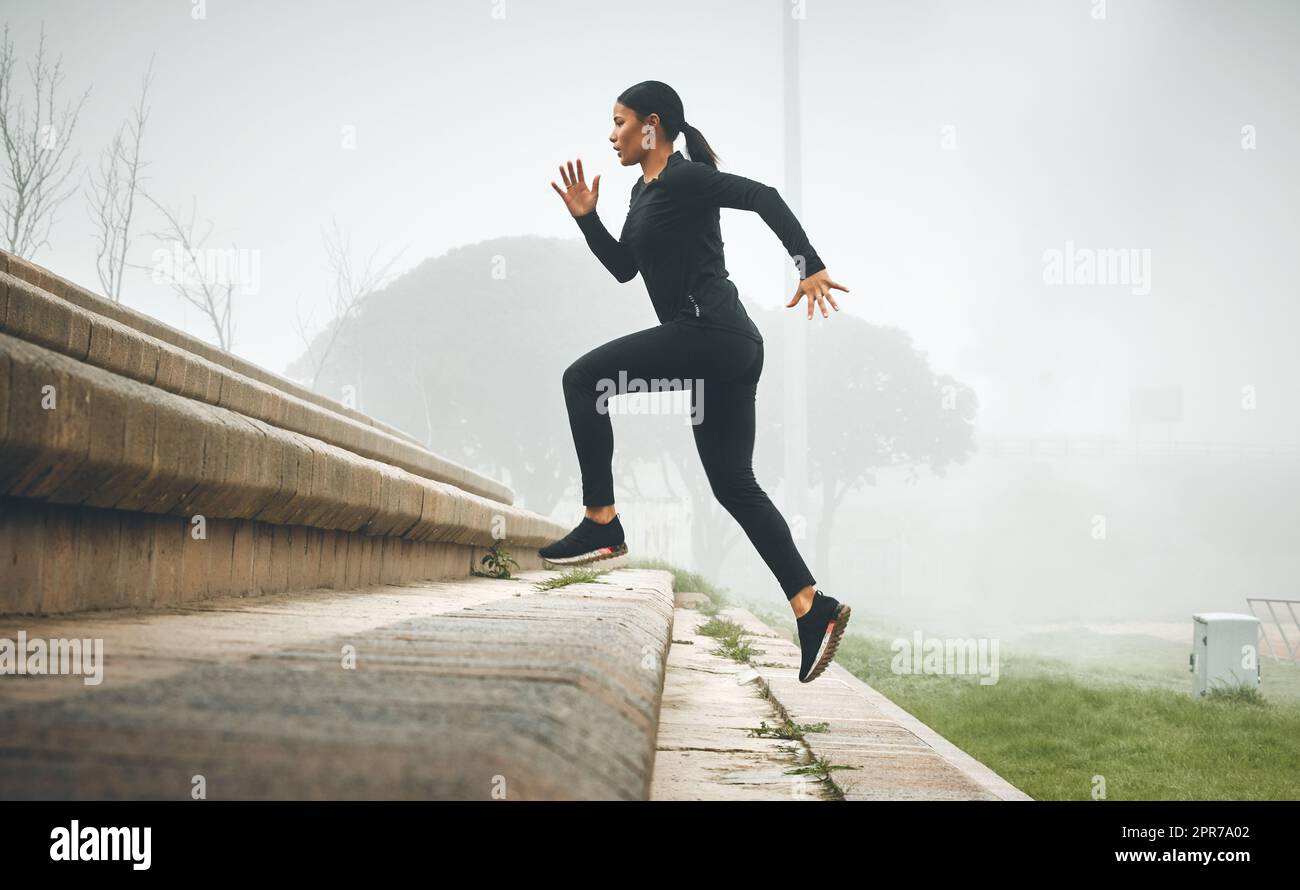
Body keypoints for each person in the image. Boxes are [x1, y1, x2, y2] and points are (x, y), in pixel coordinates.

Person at [544, 80, 849, 683]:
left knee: (582, 381)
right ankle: (814, 608)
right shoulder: (642, 191)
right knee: (734, 485)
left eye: (620, 123)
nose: (612, 135)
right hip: (727, 349)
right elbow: (625, 268)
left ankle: (602, 521)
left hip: (711, 334)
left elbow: (763, 196)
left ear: (651, 126)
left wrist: (807, 262)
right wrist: (588, 219)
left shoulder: (683, 179)